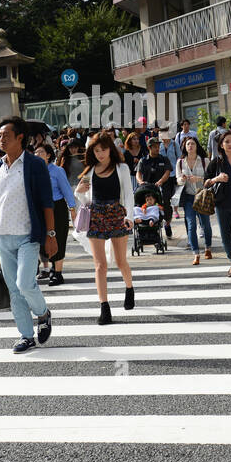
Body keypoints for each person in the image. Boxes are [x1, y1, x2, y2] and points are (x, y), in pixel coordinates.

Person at [0, 116, 56, 354]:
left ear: (20, 137)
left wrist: (51, 234)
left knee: (25, 284)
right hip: (3, 235)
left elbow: (47, 202)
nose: (0, 139)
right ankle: (26, 335)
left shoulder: (35, 164)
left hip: (28, 234)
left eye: (5, 135)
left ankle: (43, 314)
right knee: (14, 290)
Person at [75, 129, 136, 324]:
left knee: (120, 261)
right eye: (96, 151)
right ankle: (104, 307)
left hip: (117, 215)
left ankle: (129, 288)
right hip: (96, 217)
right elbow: (85, 200)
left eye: (103, 150)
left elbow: (128, 194)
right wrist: (79, 192)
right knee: (100, 265)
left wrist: (130, 217)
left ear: (110, 149)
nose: (100, 154)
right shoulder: (89, 172)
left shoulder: (122, 168)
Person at [205, 130, 231, 283]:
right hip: (222, 204)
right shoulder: (216, 162)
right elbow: (205, 182)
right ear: (221, 145)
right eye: (226, 142)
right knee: (225, 237)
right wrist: (217, 178)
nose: (229, 144)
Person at [34, 142, 75, 286]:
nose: (37, 155)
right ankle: (48, 268)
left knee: (58, 238)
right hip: (40, 209)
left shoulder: (57, 171)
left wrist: (73, 208)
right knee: (42, 240)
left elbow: (67, 190)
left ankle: (57, 273)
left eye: (41, 152)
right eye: (36, 152)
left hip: (57, 207)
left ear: (49, 155)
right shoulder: (33, 171)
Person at [176, 135, 214, 264]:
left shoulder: (204, 161)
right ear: (184, 147)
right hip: (188, 197)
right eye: (188, 144)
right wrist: (182, 179)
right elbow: (178, 180)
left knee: (206, 225)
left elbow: (210, 179)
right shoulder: (180, 162)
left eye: (192, 144)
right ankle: (196, 253)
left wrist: (198, 179)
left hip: (202, 195)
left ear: (197, 146)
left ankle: (208, 247)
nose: (190, 146)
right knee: (191, 225)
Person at [136, 136, 174, 237]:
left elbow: (167, 172)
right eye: (155, 146)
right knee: (141, 204)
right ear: (149, 147)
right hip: (147, 188)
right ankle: (145, 224)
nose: (157, 148)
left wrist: (161, 181)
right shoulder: (143, 160)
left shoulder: (164, 159)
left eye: (158, 146)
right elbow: (138, 173)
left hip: (162, 187)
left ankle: (167, 224)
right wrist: (140, 181)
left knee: (166, 206)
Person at [158, 130, 179, 237]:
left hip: (175, 175)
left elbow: (180, 159)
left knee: (176, 199)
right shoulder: (158, 145)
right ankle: (167, 223)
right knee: (165, 201)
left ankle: (174, 213)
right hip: (163, 178)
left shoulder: (175, 144)